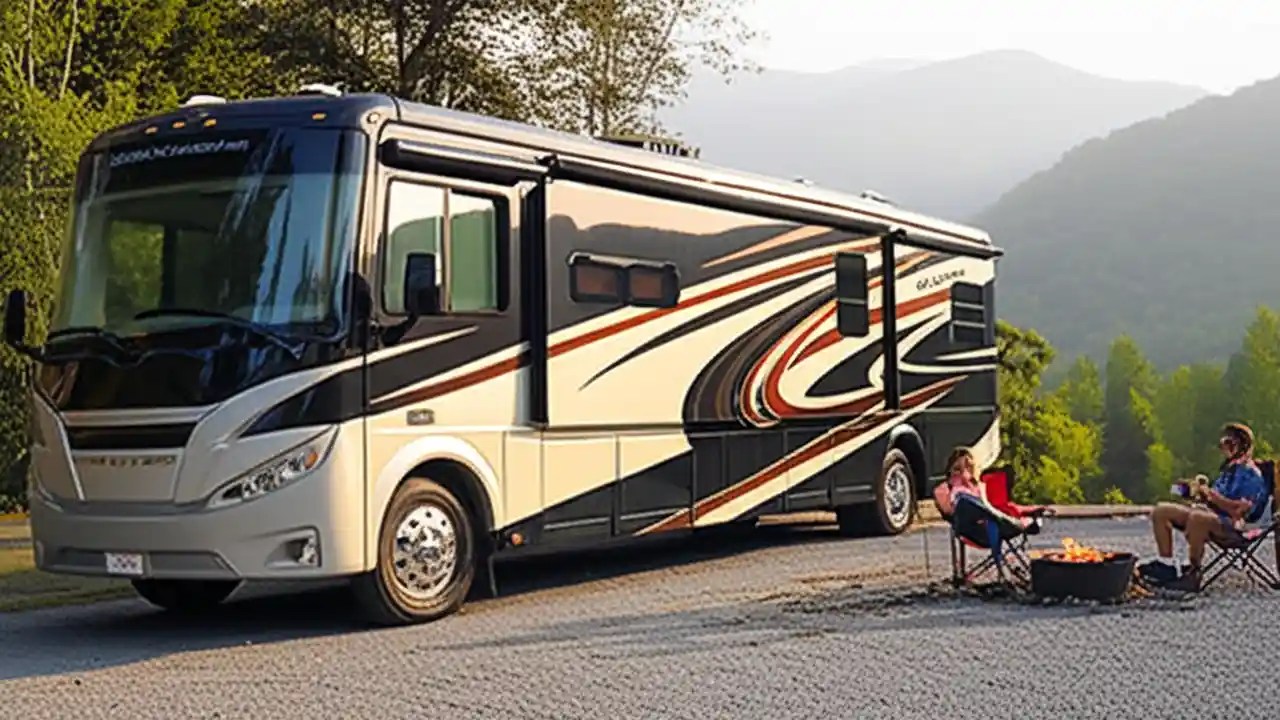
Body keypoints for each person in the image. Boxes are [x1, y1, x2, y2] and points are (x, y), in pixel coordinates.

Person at [1138, 422, 1269, 591]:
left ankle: (1193, 573)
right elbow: (1211, 499)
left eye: (1227, 443)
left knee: (1198, 518)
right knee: (1161, 511)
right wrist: (1190, 491)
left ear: (1241, 445)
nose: (1222, 447)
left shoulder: (1251, 474)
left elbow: (1241, 510)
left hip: (1235, 527)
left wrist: (1212, 496)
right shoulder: (1228, 471)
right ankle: (1166, 565)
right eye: (1222, 443)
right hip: (1210, 515)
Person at [932, 447, 1041, 533]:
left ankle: (1018, 523)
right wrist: (954, 485)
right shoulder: (943, 489)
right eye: (957, 469)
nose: (963, 472)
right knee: (964, 500)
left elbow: (987, 506)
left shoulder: (979, 485)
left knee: (986, 510)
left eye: (969, 467)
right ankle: (1018, 523)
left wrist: (970, 484)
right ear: (949, 470)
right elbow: (948, 512)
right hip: (968, 527)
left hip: (987, 524)